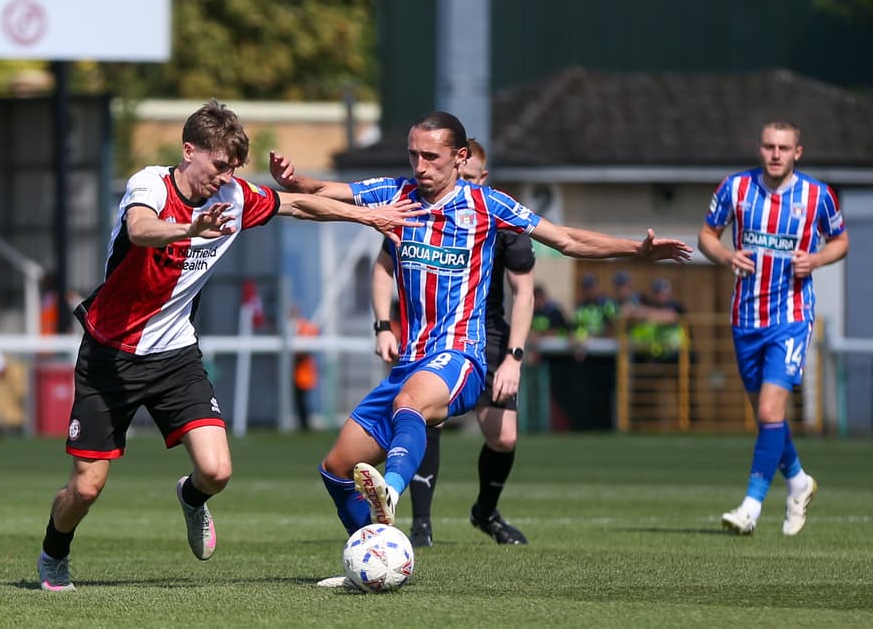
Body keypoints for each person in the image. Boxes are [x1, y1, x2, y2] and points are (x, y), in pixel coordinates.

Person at [268, 110, 691, 586]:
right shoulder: (396, 194)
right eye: (413, 155)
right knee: (336, 468)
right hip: (410, 359)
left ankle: (395, 488)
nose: (420, 166)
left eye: (431, 156)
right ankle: (373, 559)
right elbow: (329, 192)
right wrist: (294, 179)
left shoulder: (488, 205)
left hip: (462, 356)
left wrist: (636, 250)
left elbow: (567, 239)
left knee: (414, 405)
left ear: (460, 157)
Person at [34, 99, 426, 593]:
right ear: (189, 150)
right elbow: (140, 229)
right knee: (86, 487)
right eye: (219, 165)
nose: (225, 178)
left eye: (233, 169)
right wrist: (190, 228)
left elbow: (299, 204)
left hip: (175, 354)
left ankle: (192, 497)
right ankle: (54, 553)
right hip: (109, 356)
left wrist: (368, 217)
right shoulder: (149, 185)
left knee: (217, 471)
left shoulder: (236, 197)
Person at [370, 139, 536, 548]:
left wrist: (514, 357)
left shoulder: (498, 214)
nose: (462, 185)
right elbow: (383, 265)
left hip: (488, 334)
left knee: (504, 437)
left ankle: (485, 511)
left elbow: (525, 292)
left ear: (482, 178)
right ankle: (420, 524)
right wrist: (382, 325)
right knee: (426, 417)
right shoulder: (421, 209)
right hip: (430, 333)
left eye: (471, 178)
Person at [698, 121, 846, 536]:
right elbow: (707, 235)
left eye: (784, 147)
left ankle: (750, 507)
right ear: (759, 149)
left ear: (798, 152)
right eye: (768, 146)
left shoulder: (817, 195)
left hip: (791, 318)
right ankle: (798, 481)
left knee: (768, 412)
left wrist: (816, 259)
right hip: (746, 318)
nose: (775, 154)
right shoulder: (736, 188)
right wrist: (726, 256)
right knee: (768, 420)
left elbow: (840, 241)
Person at [290, 305, 322, 431]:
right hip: (295, 371)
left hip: (302, 370)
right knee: (298, 399)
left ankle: (305, 423)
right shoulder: (292, 327)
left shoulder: (304, 327)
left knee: (302, 398)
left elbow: (311, 340)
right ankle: (302, 422)